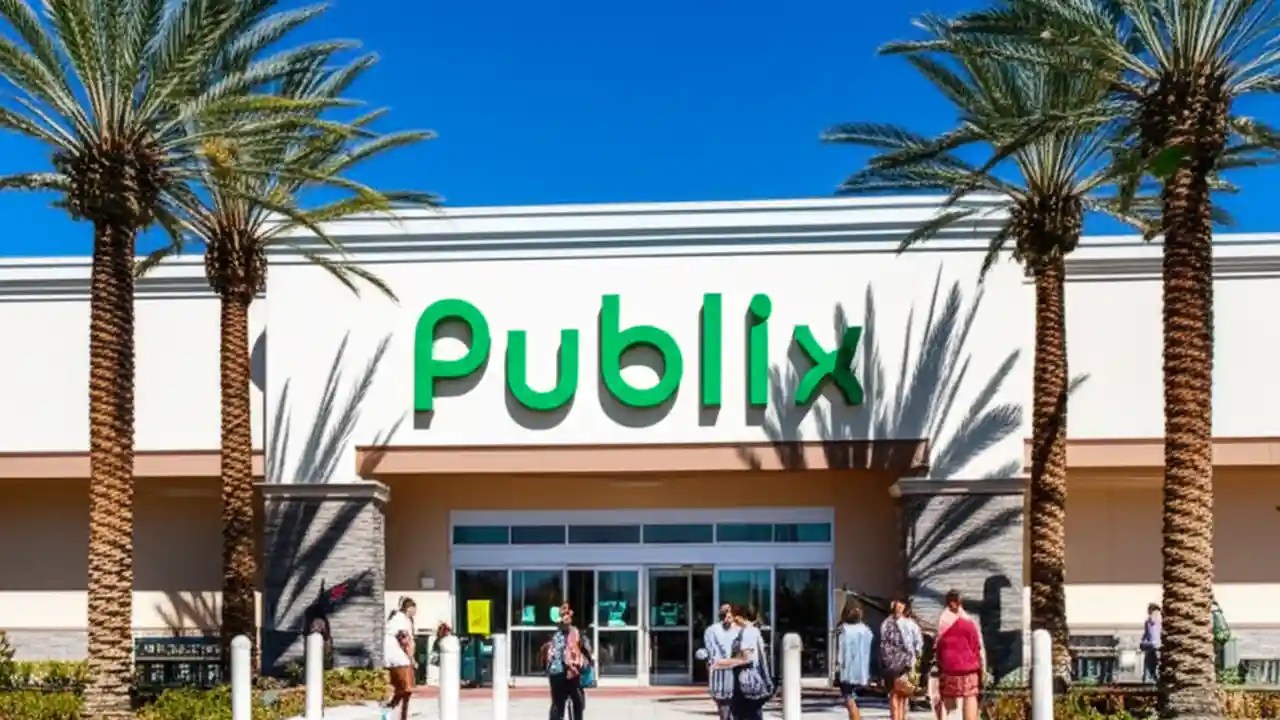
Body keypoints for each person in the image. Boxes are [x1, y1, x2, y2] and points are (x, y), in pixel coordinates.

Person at [710, 605, 773, 720]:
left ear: (739, 617)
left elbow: (746, 658)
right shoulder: (752, 631)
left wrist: (722, 663)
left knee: (744, 714)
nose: (731, 621)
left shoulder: (748, 633)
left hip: (746, 682)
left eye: (732, 617)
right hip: (750, 682)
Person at [935, 590, 983, 720]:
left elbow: (939, 647)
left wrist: (940, 665)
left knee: (948, 701)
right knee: (970, 697)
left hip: (949, 669)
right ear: (959, 603)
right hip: (968, 668)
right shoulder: (968, 622)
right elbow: (976, 647)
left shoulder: (942, 622)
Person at [544, 602, 587, 720]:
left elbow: (551, 655)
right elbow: (567, 654)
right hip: (566, 671)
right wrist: (573, 667)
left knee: (558, 703)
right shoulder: (570, 633)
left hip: (556, 672)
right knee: (576, 702)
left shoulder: (555, 635)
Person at [879, 598, 917, 720]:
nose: (898, 608)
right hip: (895, 663)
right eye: (897, 605)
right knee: (896, 694)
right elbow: (883, 644)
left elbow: (916, 642)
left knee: (901, 694)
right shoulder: (889, 624)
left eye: (901, 606)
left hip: (901, 663)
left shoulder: (890, 623)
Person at [834, 603, 873, 720]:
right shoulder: (866, 630)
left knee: (849, 699)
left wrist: (837, 666)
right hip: (862, 670)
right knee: (852, 699)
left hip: (847, 670)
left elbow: (841, 651)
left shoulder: (843, 630)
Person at [382, 597, 417, 720]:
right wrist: (412, 659)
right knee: (407, 688)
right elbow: (404, 640)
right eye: (414, 609)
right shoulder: (402, 620)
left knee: (400, 689)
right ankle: (397, 713)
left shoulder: (396, 619)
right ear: (409, 608)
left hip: (389, 657)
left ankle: (390, 710)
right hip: (398, 658)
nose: (415, 611)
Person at [703, 603, 737, 720]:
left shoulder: (739, 630)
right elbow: (710, 650)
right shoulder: (711, 631)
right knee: (723, 705)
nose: (728, 618)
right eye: (725, 615)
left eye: (730, 615)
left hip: (736, 672)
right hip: (719, 674)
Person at [1140, 603, 1162, 683]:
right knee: (1149, 663)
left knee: (1157, 663)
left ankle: (1156, 678)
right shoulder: (1148, 622)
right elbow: (1146, 633)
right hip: (1151, 646)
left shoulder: (1160, 621)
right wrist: (1143, 641)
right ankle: (1151, 678)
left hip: (1158, 646)